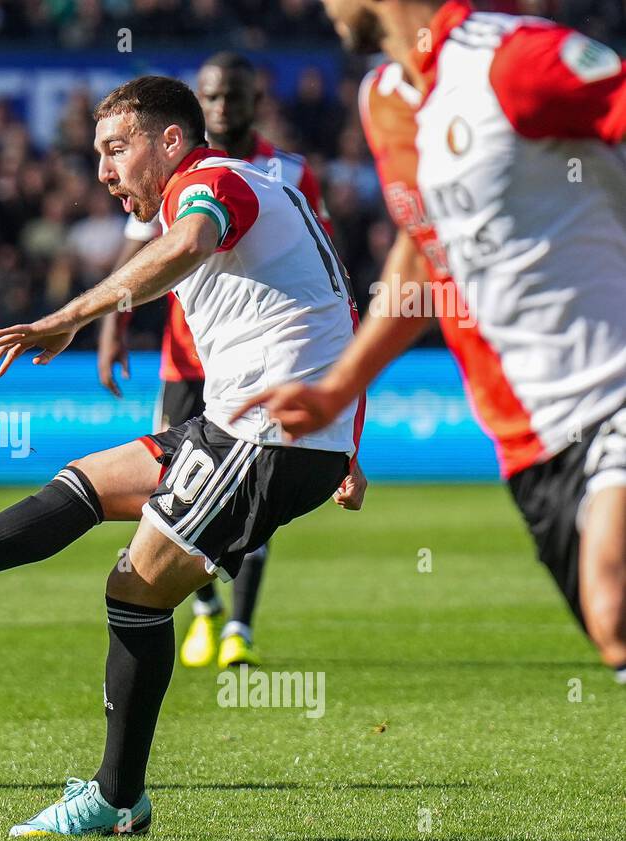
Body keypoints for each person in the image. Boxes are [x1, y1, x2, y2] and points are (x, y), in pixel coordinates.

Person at [0, 76, 366, 836]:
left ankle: (117, 796)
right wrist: (350, 442)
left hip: (267, 438)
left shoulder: (212, 182)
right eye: (97, 153)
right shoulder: (253, 187)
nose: (103, 171)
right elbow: (335, 301)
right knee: (87, 483)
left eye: (116, 149)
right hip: (262, 427)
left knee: (135, 591)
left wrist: (73, 313)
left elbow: (189, 245)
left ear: (170, 140)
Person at [244, 0, 626, 679]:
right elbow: (424, 256)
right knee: (613, 634)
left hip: (614, 388)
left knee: (614, 603)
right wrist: (339, 389)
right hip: (529, 440)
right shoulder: (384, 99)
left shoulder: (519, 59)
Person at [97, 51, 340, 670]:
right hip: (189, 359)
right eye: (212, 96)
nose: (223, 106)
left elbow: (321, 256)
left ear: (256, 101)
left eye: (234, 96)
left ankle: (239, 625)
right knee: (178, 490)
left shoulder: (287, 170)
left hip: (269, 357)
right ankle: (204, 610)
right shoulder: (169, 174)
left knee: (249, 492)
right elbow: (140, 253)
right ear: (195, 106)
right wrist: (110, 328)